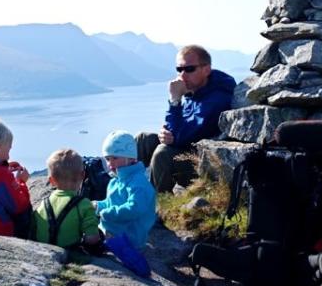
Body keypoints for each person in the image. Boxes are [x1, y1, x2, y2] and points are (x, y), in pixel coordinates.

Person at [137, 45, 236, 193]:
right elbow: (176, 130)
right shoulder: (194, 90)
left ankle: (157, 207)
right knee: (143, 139)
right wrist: (164, 132)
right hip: (186, 147)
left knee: (162, 153)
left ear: (206, 70)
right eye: (179, 69)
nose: (182, 75)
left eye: (189, 69)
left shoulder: (218, 98)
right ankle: (126, 191)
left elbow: (181, 136)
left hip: (203, 165)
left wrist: (175, 100)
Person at [96, 131, 158, 258]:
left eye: (115, 158)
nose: (110, 163)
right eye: (108, 159)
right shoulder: (115, 181)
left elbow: (133, 209)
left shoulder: (139, 183)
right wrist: (98, 206)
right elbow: (111, 203)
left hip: (131, 237)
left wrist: (106, 213)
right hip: (114, 230)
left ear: (131, 158)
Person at [33, 149, 102, 260]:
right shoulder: (84, 204)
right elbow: (92, 239)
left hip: (43, 252)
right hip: (71, 255)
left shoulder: (43, 203)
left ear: (51, 180)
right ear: (83, 175)